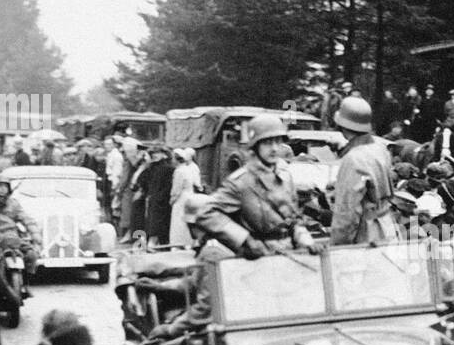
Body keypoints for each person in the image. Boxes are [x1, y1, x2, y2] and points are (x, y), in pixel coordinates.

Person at [198, 116, 318, 256]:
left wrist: (308, 242)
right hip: (258, 258)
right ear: (255, 146)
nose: (274, 149)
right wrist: (244, 240)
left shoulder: (285, 177)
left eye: (277, 142)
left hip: (289, 255)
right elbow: (205, 213)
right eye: (267, 143)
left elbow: (294, 219)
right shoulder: (241, 182)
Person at [331, 98, 397, 246]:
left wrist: (337, 247)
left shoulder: (353, 159)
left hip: (366, 235)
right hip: (388, 227)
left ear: (341, 125)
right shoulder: (380, 148)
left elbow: (347, 214)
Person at [0, 178, 41, 275]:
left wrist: (35, 233)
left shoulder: (13, 204)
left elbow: (26, 219)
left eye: (5, 186)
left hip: (12, 239)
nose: (2, 189)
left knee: (31, 255)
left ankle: (25, 281)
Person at [168, 148, 203, 247]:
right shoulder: (187, 169)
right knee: (186, 220)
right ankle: (187, 242)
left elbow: (177, 189)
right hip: (189, 195)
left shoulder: (179, 171)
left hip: (181, 198)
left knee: (178, 221)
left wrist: (172, 199)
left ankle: (177, 243)